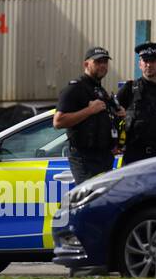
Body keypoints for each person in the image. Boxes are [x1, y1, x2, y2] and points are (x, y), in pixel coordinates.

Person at [53, 47, 124, 184]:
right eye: (98, 62)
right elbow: (58, 121)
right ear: (86, 64)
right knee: (92, 200)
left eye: (105, 62)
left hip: (104, 156)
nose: (103, 65)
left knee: (102, 201)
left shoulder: (101, 91)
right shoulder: (75, 88)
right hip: (85, 158)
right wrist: (89, 110)